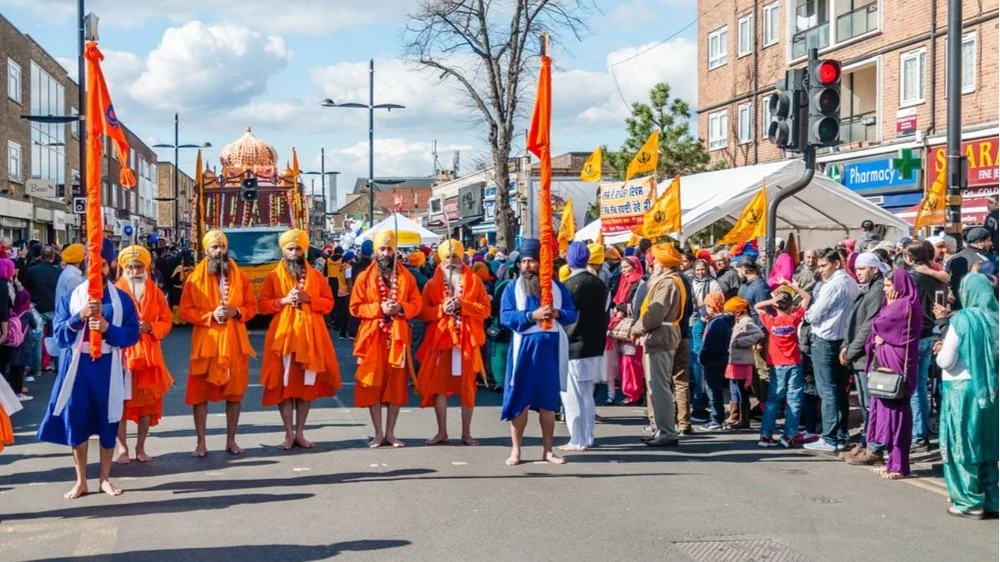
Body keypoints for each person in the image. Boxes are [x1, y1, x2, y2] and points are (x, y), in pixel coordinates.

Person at [36, 240, 140, 498]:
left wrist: (108, 330)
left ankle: (105, 478)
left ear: (111, 265)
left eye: (101, 264)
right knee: (76, 420)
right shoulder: (72, 298)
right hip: (76, 367)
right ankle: (81, 480)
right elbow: (59, 336)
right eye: (91, 263)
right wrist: (78, 317)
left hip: (107, 366)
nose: (96, 269)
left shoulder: (122, 300)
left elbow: (131, 335)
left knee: (108, 420)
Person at [258, 230, 341, 450]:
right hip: (283, 339)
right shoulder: (273, 277)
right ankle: (288, 433)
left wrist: (309, 299)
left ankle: (301, 433)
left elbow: (329, 304)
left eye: (298, 249)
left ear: (304, 250)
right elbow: (263, 305)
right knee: (285, 386)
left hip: (311, 338)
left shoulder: (317, 277)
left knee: (306, 385)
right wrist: (283, 300)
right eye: (290, 249)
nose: (294, 253)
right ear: (283, 251)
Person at [500, 238, 578, 465]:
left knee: (548, 402)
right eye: (523, 261)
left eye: (532, 261)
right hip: (523, 350)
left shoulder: (557, 287)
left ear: (541, 263)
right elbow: (505, 317)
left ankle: (548, 450)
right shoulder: (511, 288)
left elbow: (572, 313)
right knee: (519, 401)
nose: (527, 266)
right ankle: (516, 451)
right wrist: (529, 316)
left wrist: (558, 313)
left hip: (549, 351)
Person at [180, 230, 257, 457]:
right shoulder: (194, 278)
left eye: (222, 247)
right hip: (207, 343)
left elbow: (252, 307)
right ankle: (201, 442)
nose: (219, 251)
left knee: (234, 394)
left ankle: (231, 440)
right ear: (205, 250)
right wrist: (209, 315)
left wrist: (237, 311)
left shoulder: (240, 276)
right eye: (214, 247)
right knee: (200, 394)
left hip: (234, 342)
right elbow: (185, 311)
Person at [847, 268, 921, 479]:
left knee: (896, 415)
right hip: (885, 362)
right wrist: (878, 339)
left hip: (897, 366)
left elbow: (879, 324)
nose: (886, 291)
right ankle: (891, 462)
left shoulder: (905, 305)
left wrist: (880, 337)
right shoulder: (898, 304)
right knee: (885, 414)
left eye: (889, 286)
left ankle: (899, 465)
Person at [350, 230, 422, 448]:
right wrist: (378, 308)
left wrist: (400, 307)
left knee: (396, 385)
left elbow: (417, 305)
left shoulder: (406, 277)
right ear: (375, 251)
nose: (386, 253)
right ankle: (378, 433)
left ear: (395, 251)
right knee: (373, 384)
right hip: (372, 337)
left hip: (398, 337)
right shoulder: (364, 277)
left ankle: (391, 433)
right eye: (382, 248)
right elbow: (355, 307)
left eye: (389, 248)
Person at [416, 239, 490, 446]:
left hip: (467, 342)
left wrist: (463, 305)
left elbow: (485, 310)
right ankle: (442, 432)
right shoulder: (432, 284)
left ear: (462, 258)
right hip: (442, 341)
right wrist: (441, 309)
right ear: (440, 259)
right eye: (447, 257)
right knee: (439, 387)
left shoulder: (475, 281)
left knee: (467, 388)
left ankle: (466, 433)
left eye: (455, 257)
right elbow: (422, 313)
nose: (451, 261)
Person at [935, 273, 998, 519]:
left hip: (961, 389)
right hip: (991, 391)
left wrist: (939, 350)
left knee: (962, 443)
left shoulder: (962, 320)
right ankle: (993, 500)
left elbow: (947, 361)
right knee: (988, 445)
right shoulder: (996, 318)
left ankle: (968, 501)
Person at [113, 246, 174, 464]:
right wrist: (127, 330)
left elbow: (167, 320)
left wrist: (150, 327)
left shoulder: (155, 292)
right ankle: (122, 448)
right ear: (123, 268)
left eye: (138, 267)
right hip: (122, 356)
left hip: (149, 356)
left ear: (146, 268)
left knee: (147, 404)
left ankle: (140, 447)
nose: (134, 271)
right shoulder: (114, 292)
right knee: (120, 403)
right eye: (129, 267)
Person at [630, 243, 686, 447]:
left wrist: (636, 329)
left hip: (661, 336)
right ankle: (662, 429)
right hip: (662, 335)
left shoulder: (667, 283)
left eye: (654, 261)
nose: (651, 265)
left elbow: (654, 314)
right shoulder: (671, 280)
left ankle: (667, 431)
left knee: (660, 386)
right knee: (657, 385)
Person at [803, 248, 859, 452]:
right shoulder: (851, 283)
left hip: (826, 339)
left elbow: (813, 315)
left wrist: (808, 311)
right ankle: (840, 434)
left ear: (837, 263)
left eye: (824, 265)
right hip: (841, 340)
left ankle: (830, 437)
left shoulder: (833, 285)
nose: (821, 270)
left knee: (827, 390)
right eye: (819, 266)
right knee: (838, 390)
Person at [559, 242, 609, 451]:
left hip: (573, 345)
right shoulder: (601, 285)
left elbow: (561, 318)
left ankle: (577, 439)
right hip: (595, 345)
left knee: (572, 395)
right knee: (587, 394)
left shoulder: (567, 286)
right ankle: (588, 436)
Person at [839, 253, 888, 458]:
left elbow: (868, 325)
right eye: (857, 269)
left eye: (863, 268)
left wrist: (850, 351)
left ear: (874, 269)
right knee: (865, 403)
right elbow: (853, 321)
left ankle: (873, 446)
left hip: (865, 355)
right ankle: (866, 441)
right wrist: (845, 346)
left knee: (870, 404)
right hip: (857, 355)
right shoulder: (867, 289)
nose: (858, 273)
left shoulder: (876, 291)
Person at [902, 241, 948, 451]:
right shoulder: (936, 278)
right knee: (920, 385)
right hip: (931, 333)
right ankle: (920, 433)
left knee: (912, 387)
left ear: (909, 258)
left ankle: (917, 434)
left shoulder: (911, 278)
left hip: (914, 335)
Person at [756, 284, 810, 447]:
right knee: (794, 399)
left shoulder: (770, 321)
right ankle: (789, 435)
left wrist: (771, 300)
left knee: (773, 400)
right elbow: (807, 297)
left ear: (774, 306)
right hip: (793, 363)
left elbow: (757, 306)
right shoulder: (794, 318)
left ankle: (765, 435)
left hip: (776, 364)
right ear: (792, 306)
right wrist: (793, 286)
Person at [608, 255, 645, 406]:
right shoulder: (623, 282)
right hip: (622, 327)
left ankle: (634, 393)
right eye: (622, 268)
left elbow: (635, 307)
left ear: (635, 267)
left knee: (631, 361)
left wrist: (620, 308)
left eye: (627, 267)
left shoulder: (639, 283)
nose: (624, 271)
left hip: (632, 326)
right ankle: (629, 392)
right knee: (624, 361)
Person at [723, 297, 763, 429]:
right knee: (734, 387)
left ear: (739, 311)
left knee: (742, 389)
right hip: (735, 360)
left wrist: (741, 342)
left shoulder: (747, 321)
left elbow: (759, 334)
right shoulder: (739, 320)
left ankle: (744, 419)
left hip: (743, 361)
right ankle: (735, 414)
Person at [689, 259, 721, 423]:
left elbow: (717, 301)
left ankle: (701, 403)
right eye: (698, 270)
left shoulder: (713, 283)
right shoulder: (690, 282)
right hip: (692, 322)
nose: (701, 272)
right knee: (694, 366)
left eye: (703, 269)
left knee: (701, 366)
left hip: (707, 322)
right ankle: (697, 402)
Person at [698, 292, 730, 430]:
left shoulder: (717, 323)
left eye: (707, 305)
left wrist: (703, 357)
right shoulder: (721, 322)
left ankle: (716, 419)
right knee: (714, 391)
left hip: (713, 361)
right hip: (718, 360)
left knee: (713, 391)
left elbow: (711, 346)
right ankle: (716, 417)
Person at [947, 227, 994, 309]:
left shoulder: (952, 258)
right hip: (976, 308)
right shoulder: (983, 260)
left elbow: (947, 282)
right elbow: (989, 286)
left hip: (955, 307)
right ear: (980, 243)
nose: (991, 243)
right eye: (989, 240)